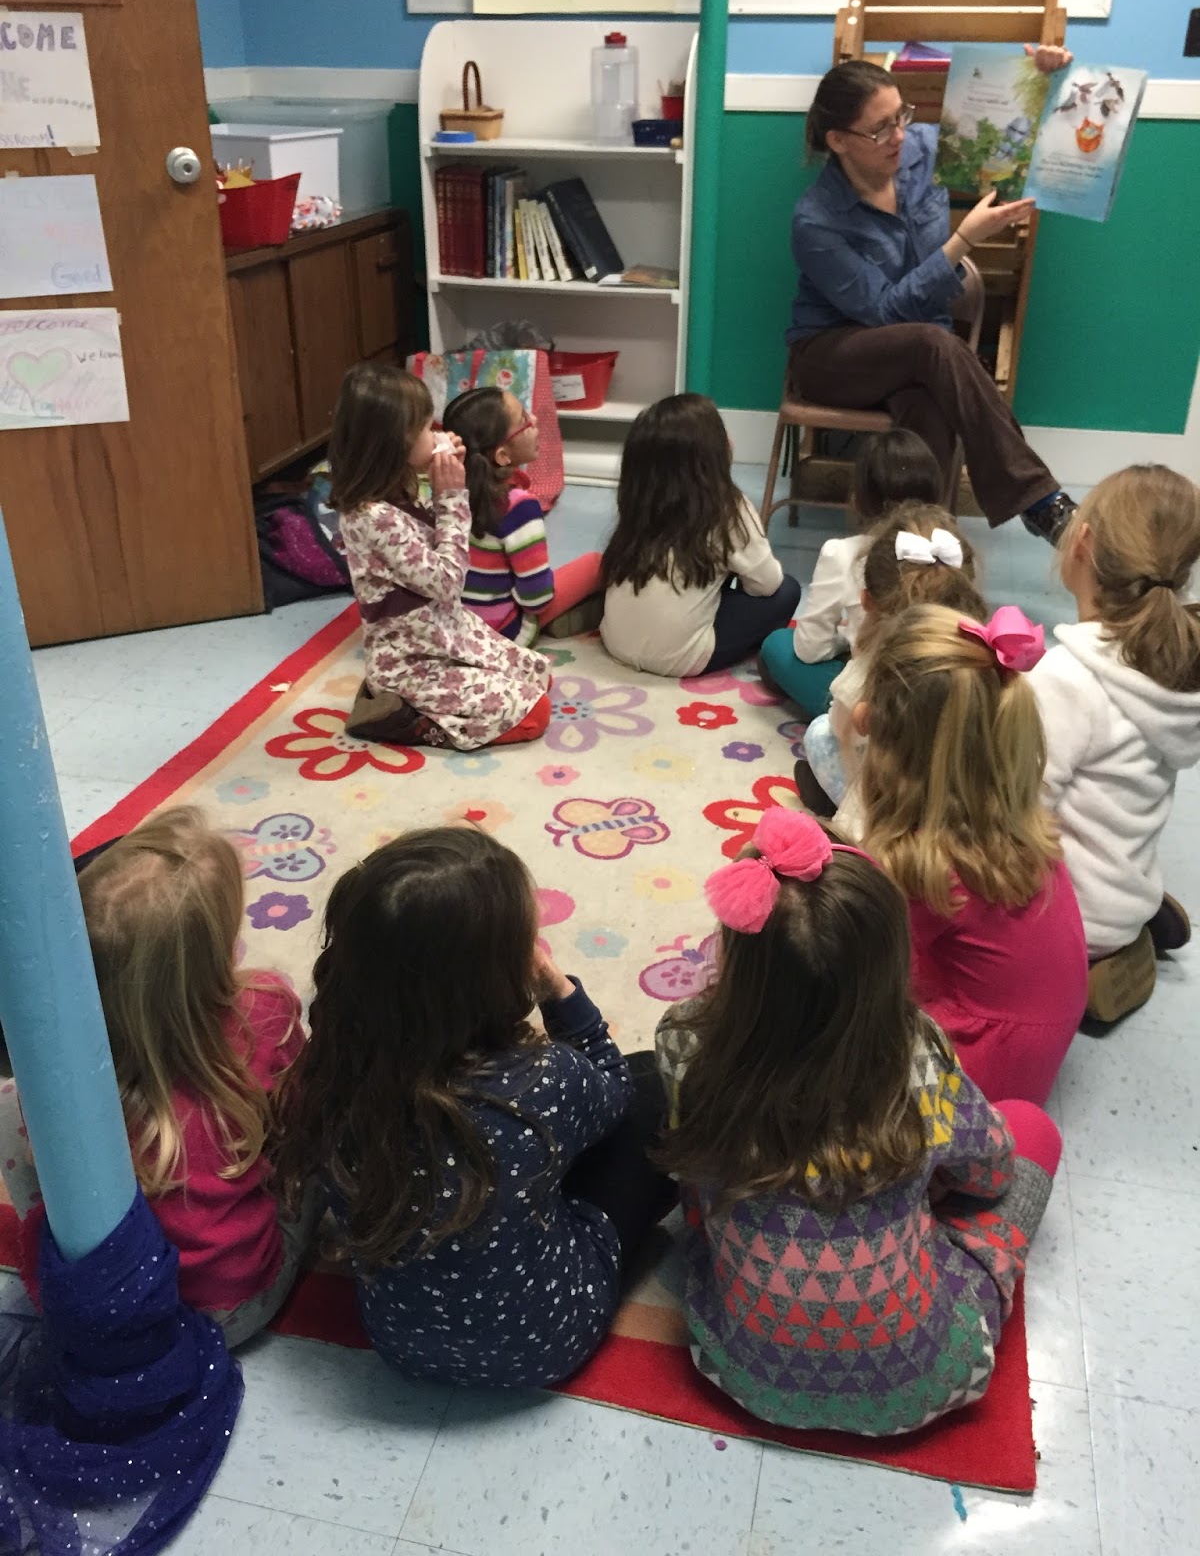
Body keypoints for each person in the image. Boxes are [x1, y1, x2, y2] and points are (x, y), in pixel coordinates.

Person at [655, 806, 1061, 1437]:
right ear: (889, 964)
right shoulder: (917, 1052)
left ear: (737, 957)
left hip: (737, 1368)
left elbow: (693, 1173)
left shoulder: (682, 1041)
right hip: (920, 1382)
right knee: (1034, 1128)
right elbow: (991, 1173)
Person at [272, 827, 675, 1389]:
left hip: (398, 1343)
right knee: (650, 1083)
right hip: (548, 1339)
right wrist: (557, 988)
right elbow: (613, 1092)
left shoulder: (328, 1070)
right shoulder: (538, 1080)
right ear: (498, 979)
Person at [0, 808, 315, 1348]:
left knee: (12, 1112)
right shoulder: (267, 1009)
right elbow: (306, 1122)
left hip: (125, 1306)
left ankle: (57, 1252)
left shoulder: (60, 1064)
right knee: (308, 1144)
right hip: (239, 1305)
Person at [787, 50, 1078, 545]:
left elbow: (1013, 134)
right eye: (880, 129)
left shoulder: (926, 149)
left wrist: (1046, 78)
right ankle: (1040, 502)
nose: (900, 135)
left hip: (921, 354)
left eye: (901, 116)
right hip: (834, 357)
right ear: (838, 141)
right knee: (931, 344)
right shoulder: (815, 220)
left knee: (931, 405)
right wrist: (963, 240)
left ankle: (916, 548)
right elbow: (883, 313)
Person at [859, 604, 1088, 1105]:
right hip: (1032, 1050)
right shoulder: (1023, 826)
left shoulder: (918, 867)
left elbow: (868, 983)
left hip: (973, 1083)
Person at [1029, 466, 1200, 1025]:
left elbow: (1016, 817)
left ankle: (1083, 967)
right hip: (1121, 893)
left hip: (1061, 922)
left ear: (1081, 542)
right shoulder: (1173, 670)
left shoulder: (1065, 678)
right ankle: (1133, 920)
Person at [329, 362, 551, 750]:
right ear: (392, 445)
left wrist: (448, 470)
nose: (436, 435)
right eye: (424, 430)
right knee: (535, 714)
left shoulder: (400, 485)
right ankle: (403, 719)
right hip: (410, 661)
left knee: (538, 675)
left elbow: (432, 546)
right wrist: (451, 496)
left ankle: (418, 702)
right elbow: (447, 582)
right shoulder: (371, 517)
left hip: (443, 635)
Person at [795, 501, 986, 834]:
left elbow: (840, 729)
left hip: (881, 831)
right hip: (966, 824)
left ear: (866, 600)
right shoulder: (990, 663)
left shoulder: (867, 674)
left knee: (821, 733)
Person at [600, 393, 802, 678]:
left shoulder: (641, 498)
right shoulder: (727, 505)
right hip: (680, 657)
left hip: (616, 641)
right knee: (788, 590)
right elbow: (768, 584)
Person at [759, 428, 943, 718]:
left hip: (877, 706)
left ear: (858, 498)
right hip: (940, 696)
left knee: (776, 646)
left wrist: (845, 640)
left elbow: (810, 649)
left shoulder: (842, 554)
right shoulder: (949, 552)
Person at [443, 385, 604, 644]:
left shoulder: (446, 492)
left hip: (454, 628)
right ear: (503, 456)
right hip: (503, 632)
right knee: (597, 563)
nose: (535, 420)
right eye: (524, 421)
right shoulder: (518, 507)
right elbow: (536, 599)